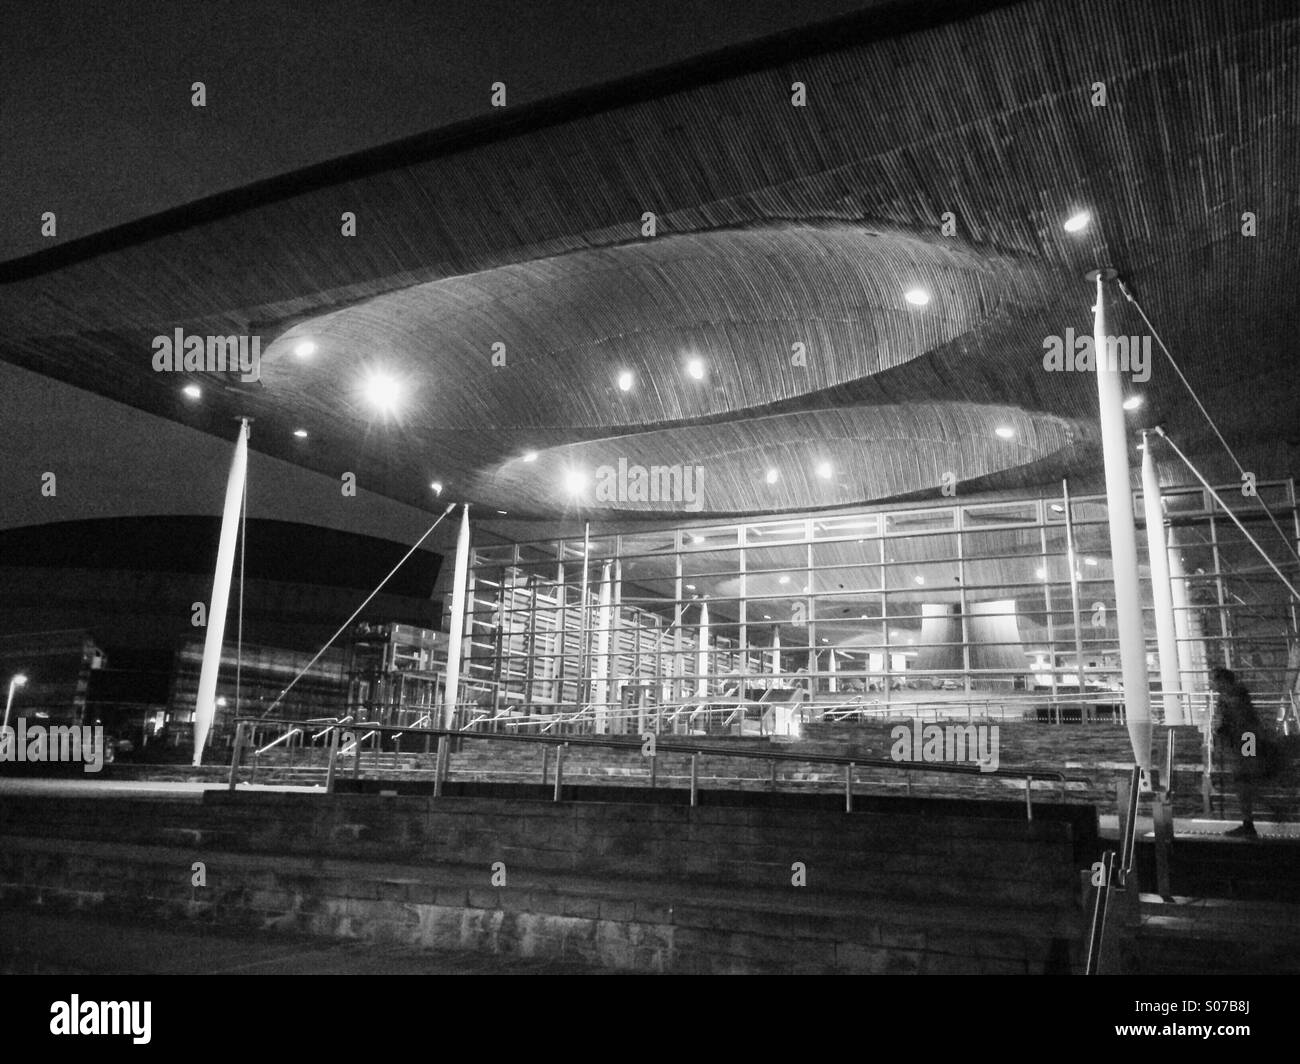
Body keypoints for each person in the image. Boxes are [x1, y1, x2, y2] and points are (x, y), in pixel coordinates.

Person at [1211, 666, 1274, 838]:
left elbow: (1245, 726)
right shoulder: (1230, 697)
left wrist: (1246, 755)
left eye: (1214, 680)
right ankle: (1249, 821)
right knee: (1243, 781)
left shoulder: (1234, 697)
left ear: (1223, 681)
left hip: (1245, 741)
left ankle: (1251, 822)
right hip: (1242, 743)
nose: (1212, 684)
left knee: (1244, 780)